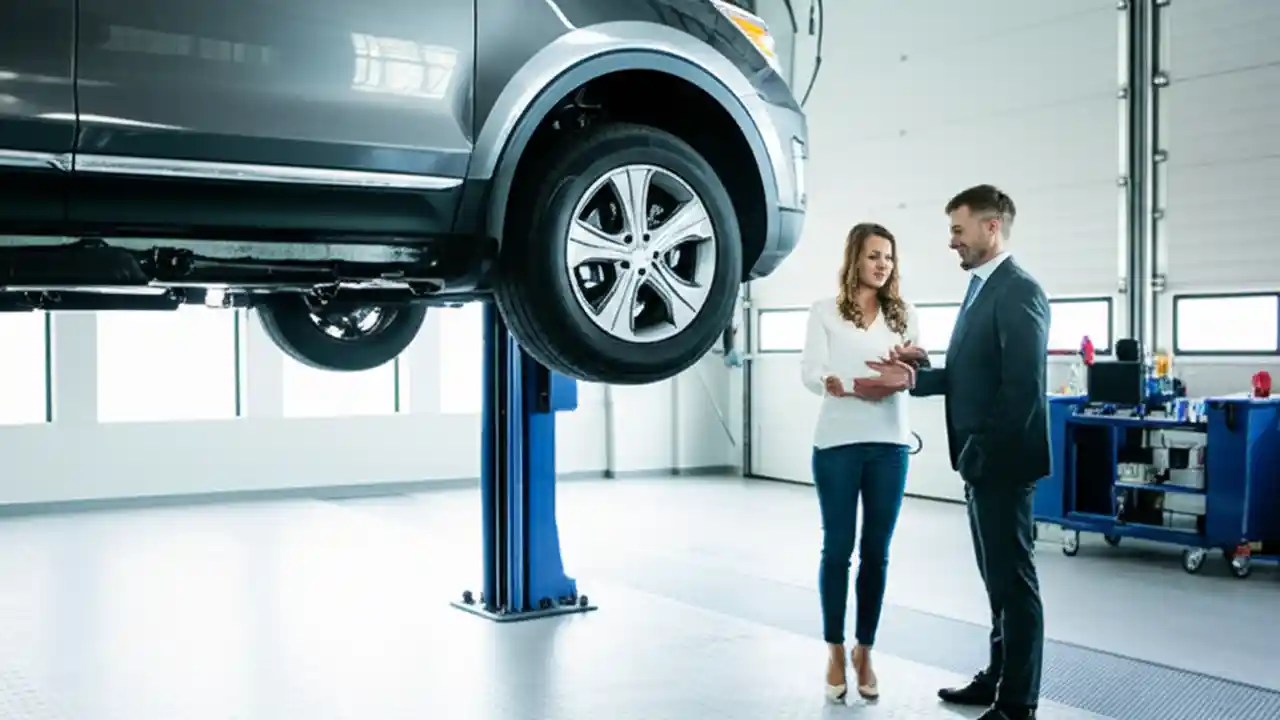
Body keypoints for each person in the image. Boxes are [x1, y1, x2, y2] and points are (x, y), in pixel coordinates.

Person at [855, 185, 1050, 720]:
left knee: (1014, 580)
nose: (951, 243)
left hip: (1002, 463)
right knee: (996, 580)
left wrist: (981, 450)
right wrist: (915, 375)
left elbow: (1022, 389)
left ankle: (1017, 702)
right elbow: (973, 374)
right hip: (981, 462)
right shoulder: (981, 289)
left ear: (991, 228)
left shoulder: (1018, 291)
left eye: (958, 230)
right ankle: (997, 676)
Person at [799, 222, 923, 704]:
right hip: (837, 444)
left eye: (888, 256)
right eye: (874, 255)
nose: (883, 264)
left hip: (890, 444)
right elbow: (811, 370)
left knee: (877, 552)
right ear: (855, 259)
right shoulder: (825, 312)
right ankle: (834, 649)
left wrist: (911, 368)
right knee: (838, 550)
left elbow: (916, 369)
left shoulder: (904, 314)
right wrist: (841, 382)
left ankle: (864, 650)